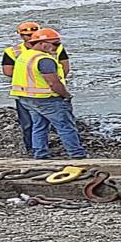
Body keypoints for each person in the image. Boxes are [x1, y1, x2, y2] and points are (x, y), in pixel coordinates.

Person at [11, 28, 87, 160]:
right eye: (55, 44)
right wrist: (66, 95)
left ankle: (40, 155)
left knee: (39, 126)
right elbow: (53, 83)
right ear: (42, 43)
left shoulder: (25, 55)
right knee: (66, 127)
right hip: (46, 99)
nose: (58, 47)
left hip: (27, 98)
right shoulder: (44, 60)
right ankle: (77, 155)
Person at [2, 22, 72, 153]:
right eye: (26, 35)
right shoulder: (13, 51)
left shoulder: (55, 48)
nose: (29, 37)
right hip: (38, 94)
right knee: (60, 126)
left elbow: (65, 68)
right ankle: (74, 153)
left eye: (32, 34)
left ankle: (40, 152)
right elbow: (8, 71)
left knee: (39, 125)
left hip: (36, 93)